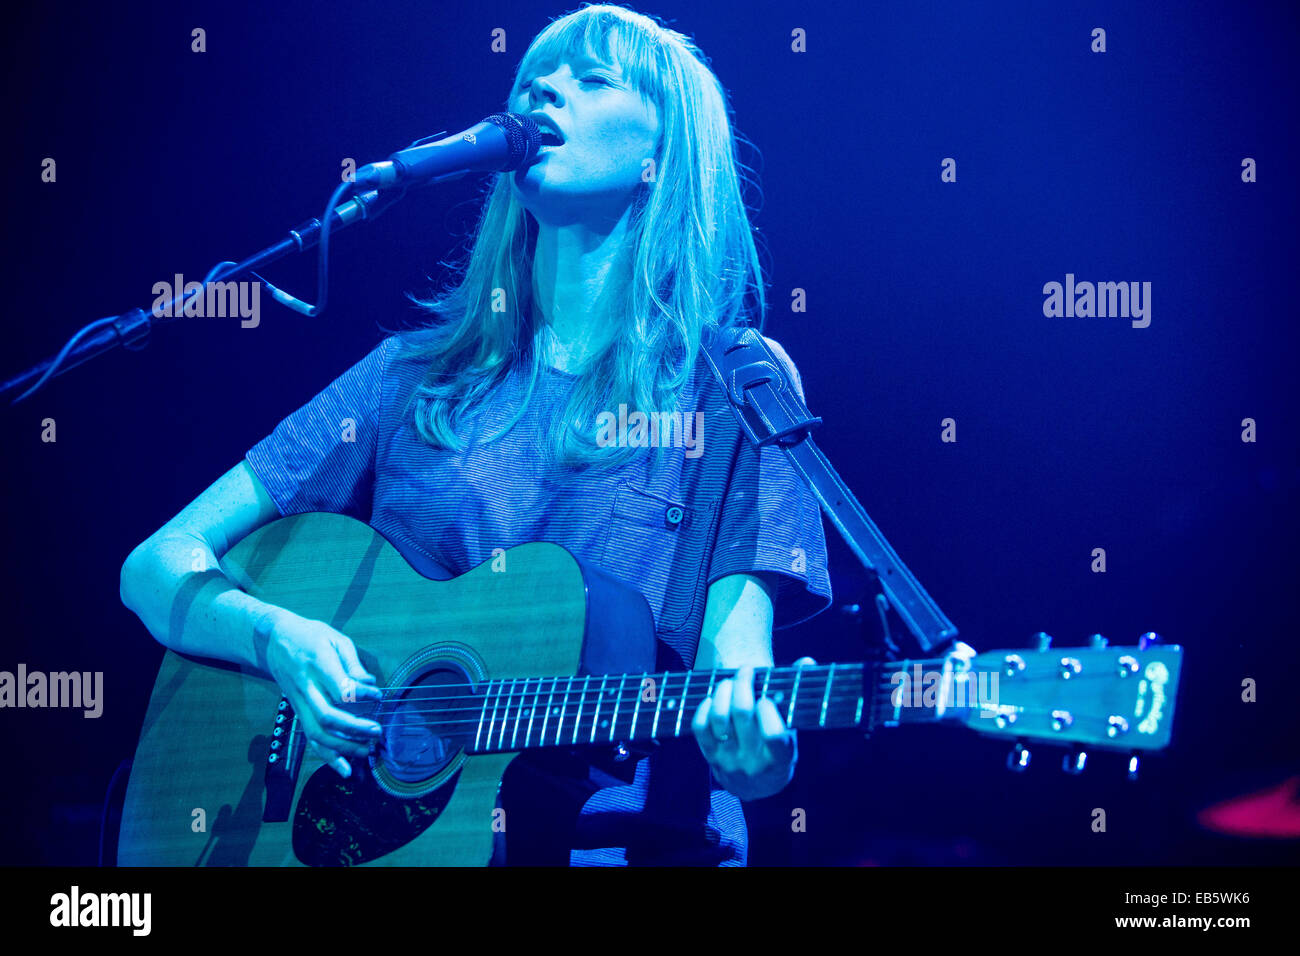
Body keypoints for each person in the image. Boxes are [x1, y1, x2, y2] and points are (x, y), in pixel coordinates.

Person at [120, 3, 831, 866]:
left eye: (592, 79)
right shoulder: (409, 376)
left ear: (658, 159)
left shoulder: (737, 385)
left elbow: (737, 674)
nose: (545, 90)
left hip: (625, 844)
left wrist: (758, 752)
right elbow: (156, 564)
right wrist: (278, 638)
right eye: (536, 79)